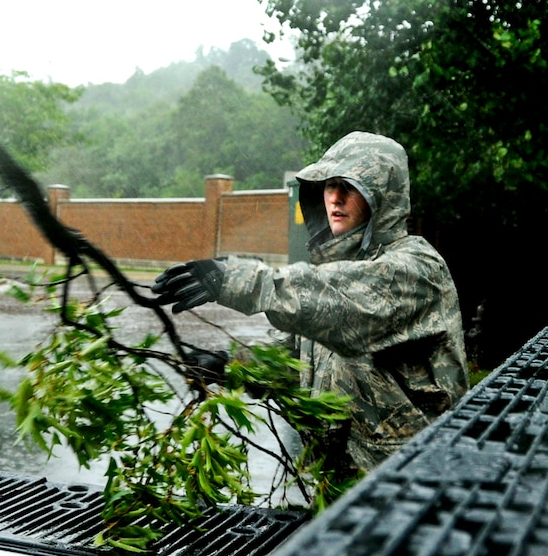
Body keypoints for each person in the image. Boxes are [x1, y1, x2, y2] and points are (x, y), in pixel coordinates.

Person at [152, 131, 468, 476]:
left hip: (412, 482)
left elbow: (342, 304)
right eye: (329, 187)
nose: (335, 199)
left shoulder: (417, 267)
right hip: (340, 487)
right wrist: (231, 365)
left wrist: (235, 279)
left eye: (350, 187)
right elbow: (295, 360)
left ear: (382, 195)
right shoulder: (332, 271)